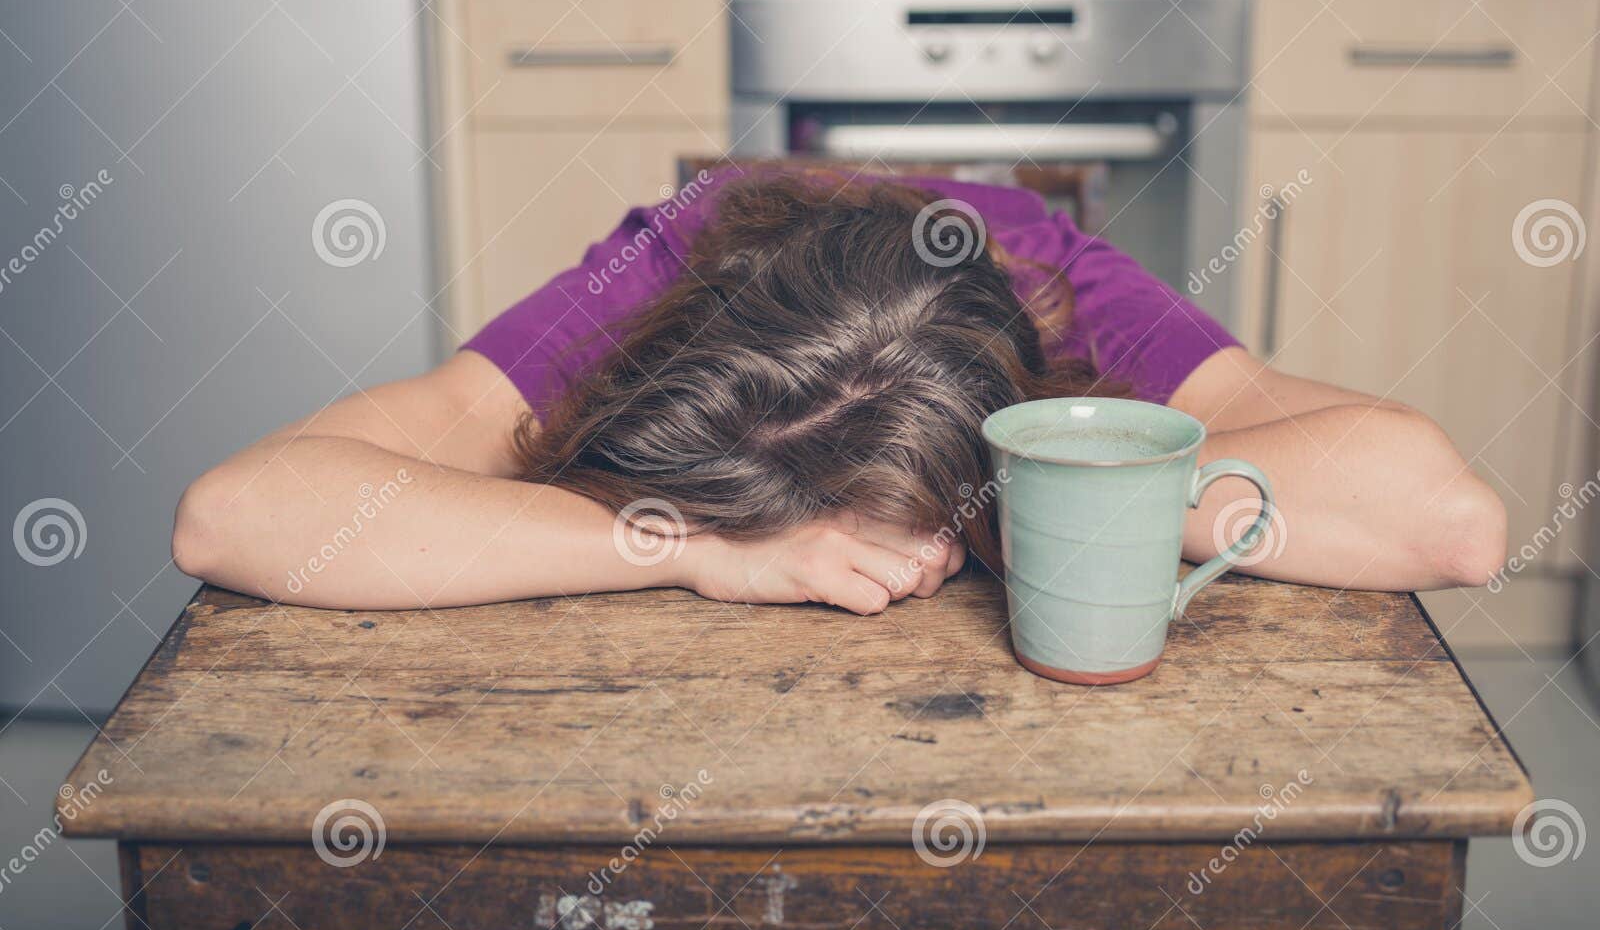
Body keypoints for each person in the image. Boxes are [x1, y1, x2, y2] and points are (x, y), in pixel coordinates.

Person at [172, 166, 1506, 615]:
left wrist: (1050, 494)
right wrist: (687, 549)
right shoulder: (652, 279)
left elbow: (1447, 521)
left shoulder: (1058, 289)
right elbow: (240, 513)